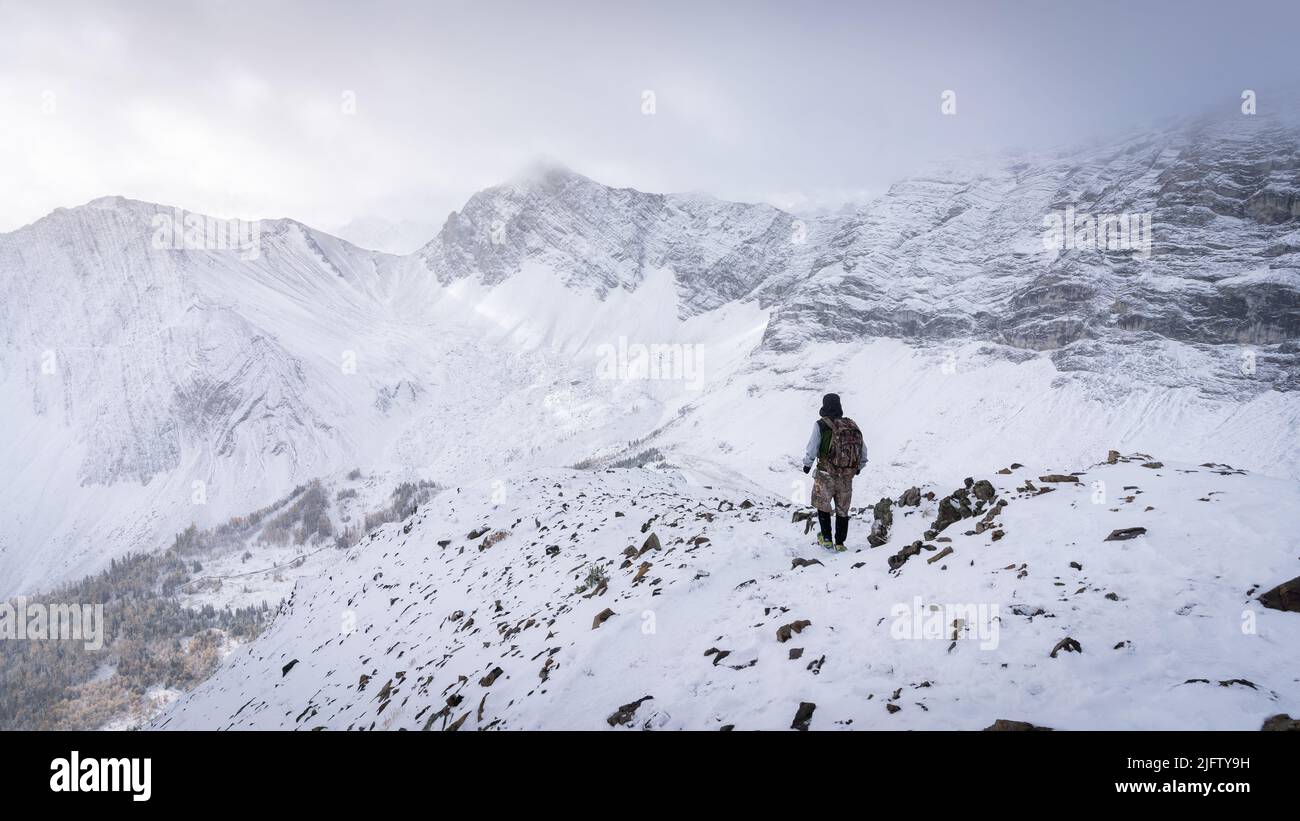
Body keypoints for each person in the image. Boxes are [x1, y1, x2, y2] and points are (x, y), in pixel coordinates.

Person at [801, 393, 867, 551]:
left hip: (826, 473)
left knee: (823, 506)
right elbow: (863, 450)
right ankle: (840, 543)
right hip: (846, 475)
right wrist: (858, 467)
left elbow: (813, 447)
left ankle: (827, 539)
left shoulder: (821, 425)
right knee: (842, 509)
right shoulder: (851, 425)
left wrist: (807, 464)